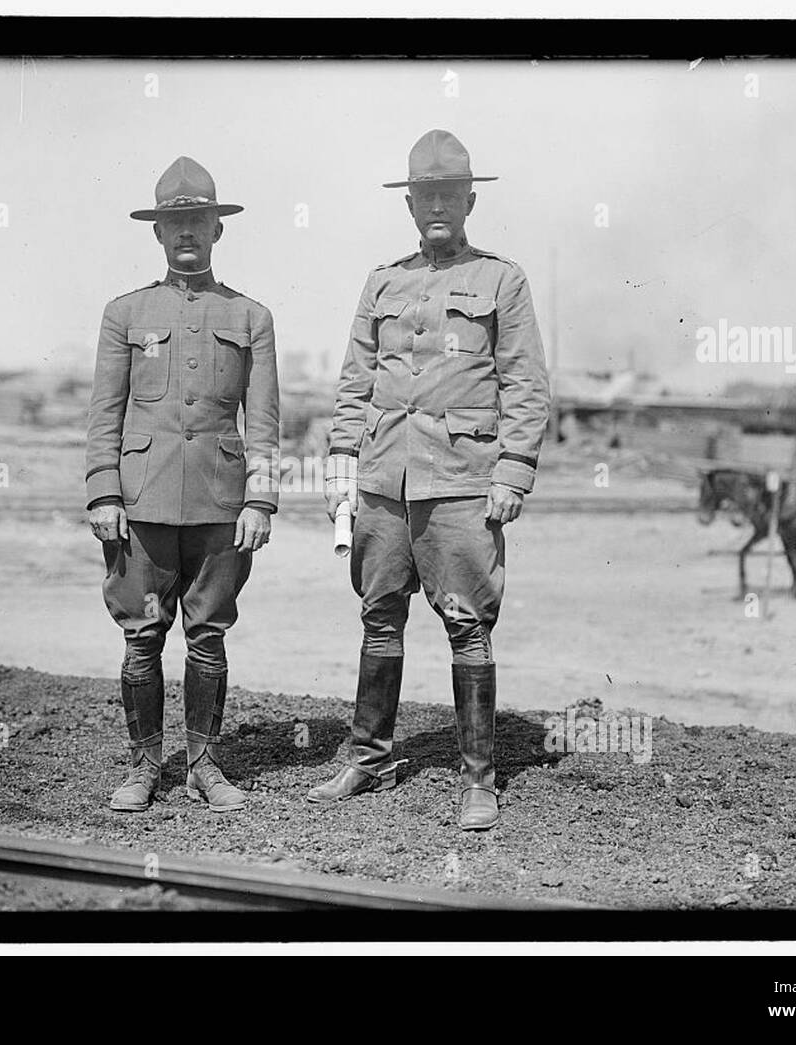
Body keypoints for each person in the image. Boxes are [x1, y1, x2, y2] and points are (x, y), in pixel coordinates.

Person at [311, 130, 551, 831]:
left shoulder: (502, 279)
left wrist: (513, 471)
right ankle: (370, 756)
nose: (437, 206)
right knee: (378, 615)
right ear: (410, 204)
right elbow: (355, 382)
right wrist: (342, 466)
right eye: (426, 196)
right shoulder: (384, 280)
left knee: (467, 623)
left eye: (449, 194)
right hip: (386, 481)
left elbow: (527, 385)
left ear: (470, 200)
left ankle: (479, 777)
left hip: (463, 482)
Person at [84, 156, 280, 813]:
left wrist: (260, 497)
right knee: (141, 636)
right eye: (176, 222)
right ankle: (144, 767)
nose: (188, 232)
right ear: (158, 233)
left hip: (221, 505)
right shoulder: (126, 313)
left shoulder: (252, 316)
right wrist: (103, 491)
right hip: (140, 502)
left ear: (217, 230)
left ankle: (203, 765)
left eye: (198, 220)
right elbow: (104, 414)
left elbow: (267, 420)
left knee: (209, 635)